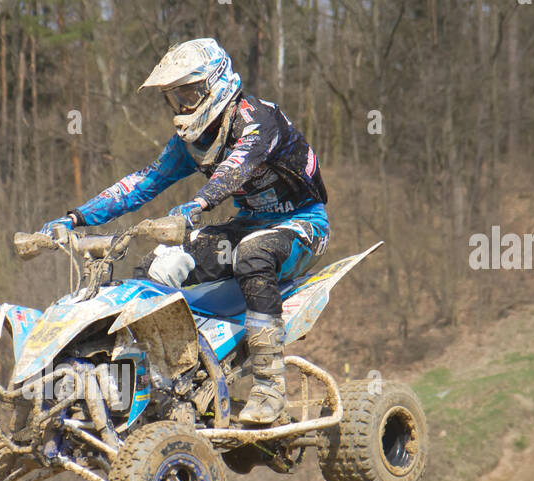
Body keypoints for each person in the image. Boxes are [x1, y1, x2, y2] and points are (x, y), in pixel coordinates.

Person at [39, 38, 329, 425]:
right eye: (175, 98)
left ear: (215, 84)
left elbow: (235, 169)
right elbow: (142, 182)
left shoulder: (258, 120)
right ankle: (159, 382)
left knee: (253, 254)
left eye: (190, 93)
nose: (183, 107)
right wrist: (74, 218)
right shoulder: (190, 142)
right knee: (157, 264)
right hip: (246, 226)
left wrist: (191, 210)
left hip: (302, 225)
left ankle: (270, 387)